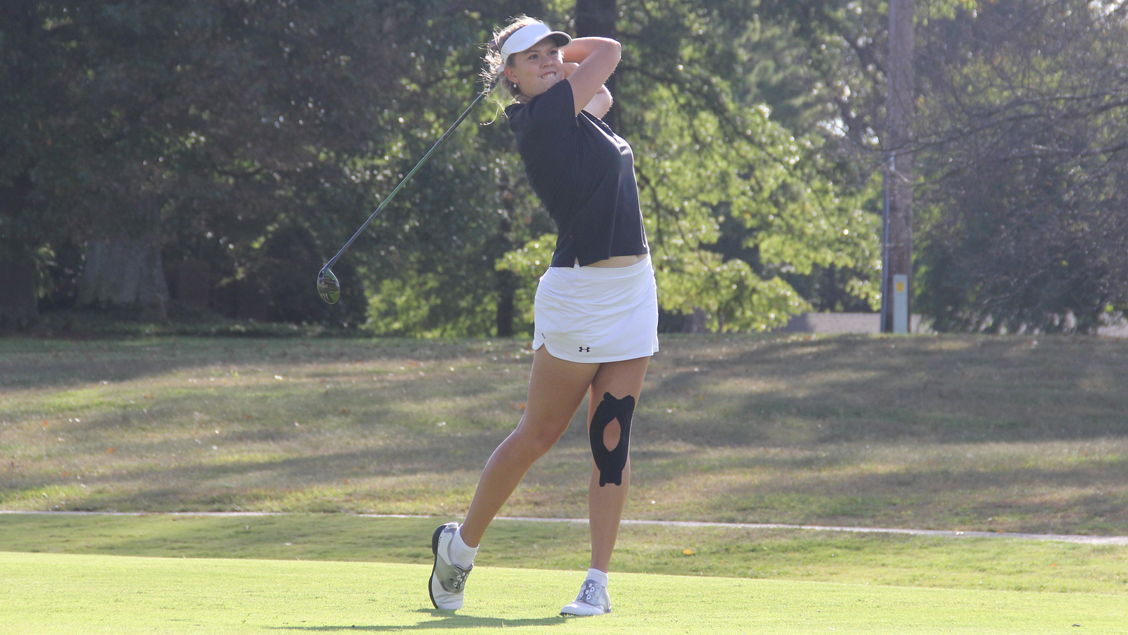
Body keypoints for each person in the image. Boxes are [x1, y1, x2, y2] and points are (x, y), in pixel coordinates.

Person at [428, 15, 658, 617]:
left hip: (633, 289)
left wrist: (545, 53)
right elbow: (607, 52)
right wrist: (555, 55)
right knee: (539, 433)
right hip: (578, 295)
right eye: (533, 58)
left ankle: (597, 582)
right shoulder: (542, 120)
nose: (551, 60)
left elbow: (600, 89)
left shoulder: (569, 109)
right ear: (509, 76)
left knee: (611, 435)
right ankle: (460, 548)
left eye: (553, 51)